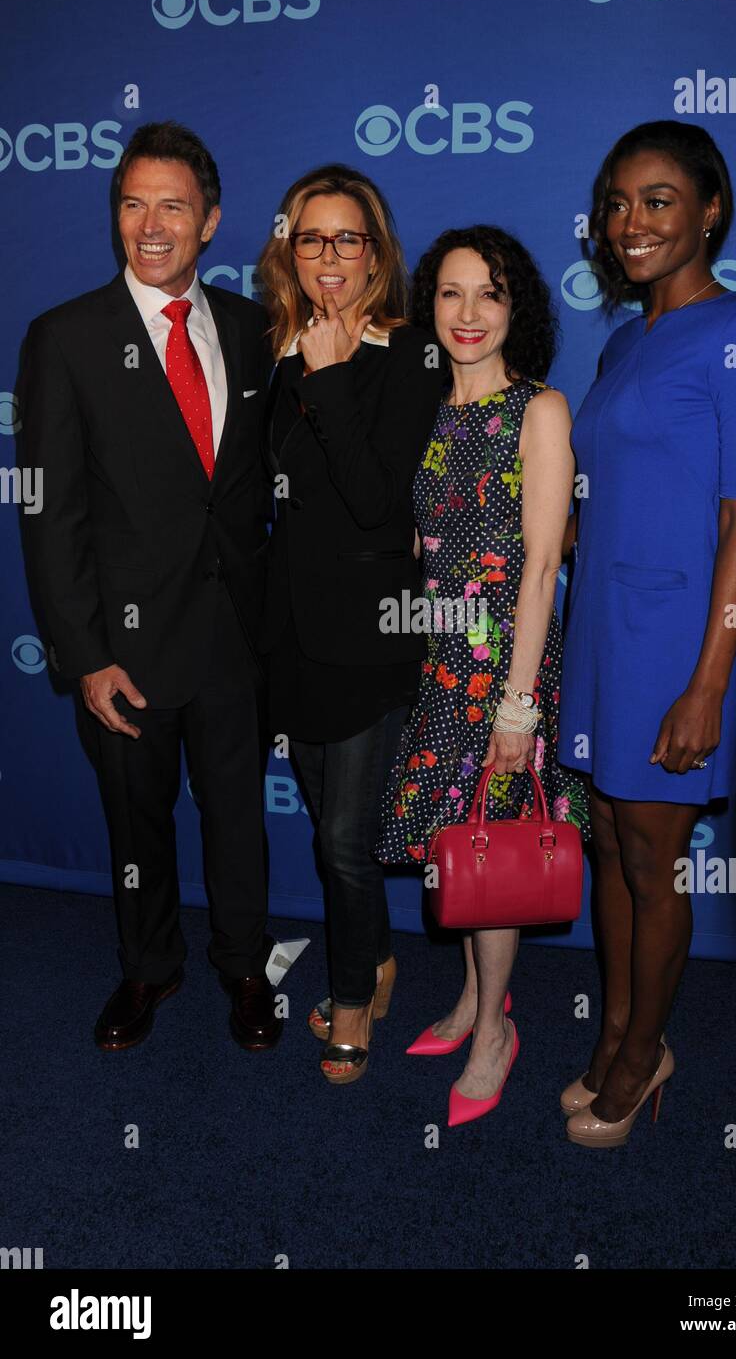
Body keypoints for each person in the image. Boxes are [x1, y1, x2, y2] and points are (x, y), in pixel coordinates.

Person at [18, 121, 279, 1052]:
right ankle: (149, 968)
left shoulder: (251, 330)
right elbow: (50, 516)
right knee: (136, 825)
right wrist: (85, 658)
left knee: (239, 819)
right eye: (133, 204)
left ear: (210, 221)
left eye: (173, 205)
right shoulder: (67, 338)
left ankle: (244, 969)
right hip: (124, 649)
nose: (152, 225)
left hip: (234, 641)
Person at [556, 120, 736, 1147]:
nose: (628, 223)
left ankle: (647, 1048)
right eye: (615, 203)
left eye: (656, 200)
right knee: (607, 841)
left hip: (673, 640)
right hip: (600, 628)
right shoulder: (623, 338)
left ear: (708, 212)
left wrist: (707, 682)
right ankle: (614, 1029)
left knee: (652, 859)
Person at [375, 226, 591, 1126]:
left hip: (506, 658)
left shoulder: (536, 410)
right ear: (430, 305)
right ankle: (473, 998)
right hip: (440, 656)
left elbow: (542, 564)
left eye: (490, 294)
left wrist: (518, 702)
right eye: (452, 293)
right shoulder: (424, 407)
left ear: (517, 309)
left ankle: (496, 1032)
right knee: (458, 842)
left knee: (495, 847)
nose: (469, 314)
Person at [257, 163, 443, 1085]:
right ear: (288, 249)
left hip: (372, 636)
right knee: (328, 835)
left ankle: (357, 1000)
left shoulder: (409, 354)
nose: (329, 256)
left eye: (348, 238)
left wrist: (330, 378)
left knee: (342, 841)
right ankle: (370, 958)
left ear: (376, 252)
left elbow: (375, 502)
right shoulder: (272, 351)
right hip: (291, 637)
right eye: (311, 238)